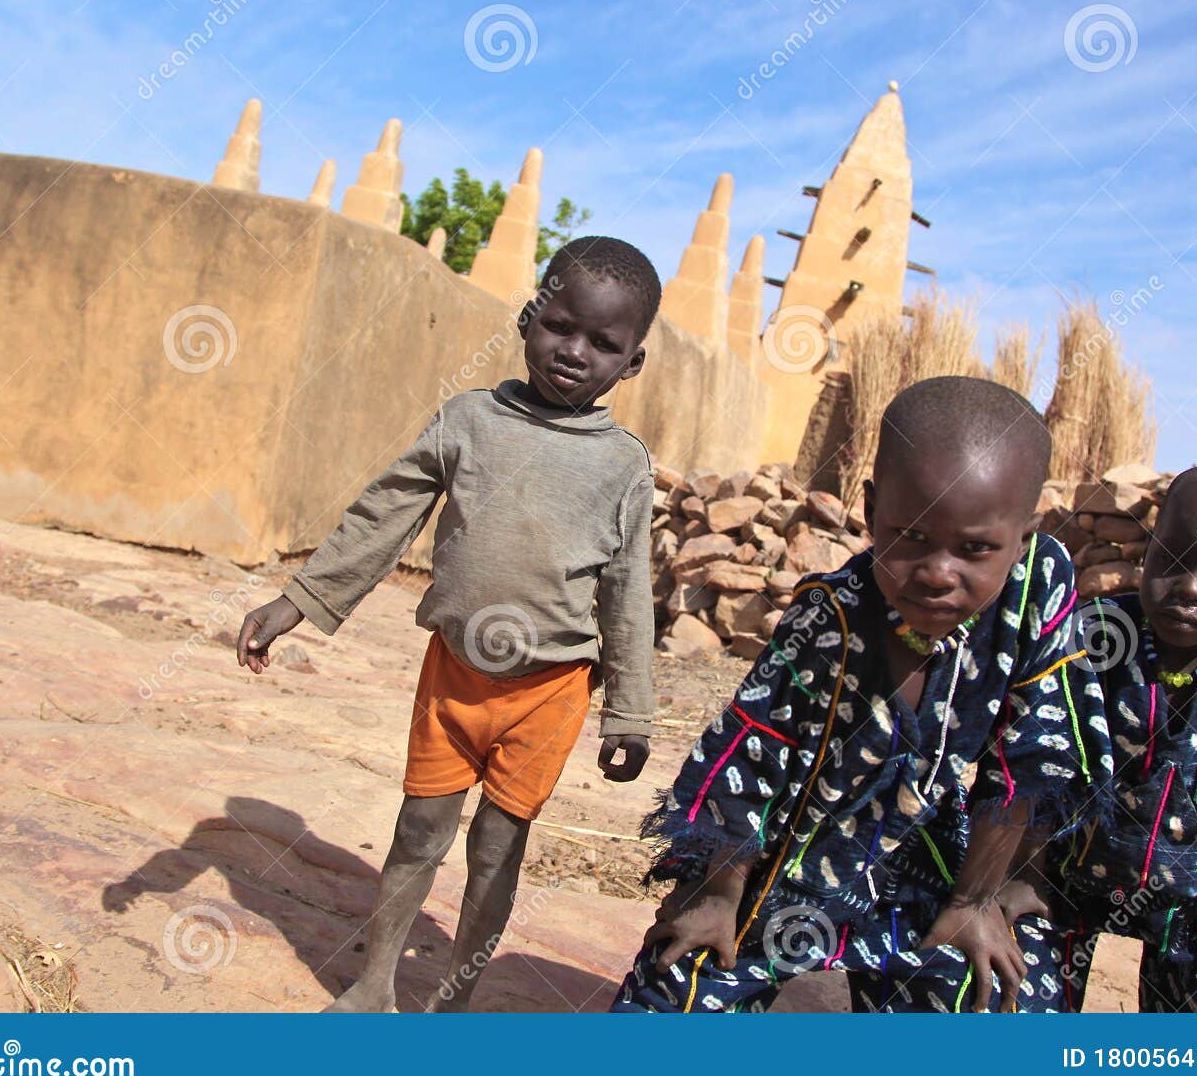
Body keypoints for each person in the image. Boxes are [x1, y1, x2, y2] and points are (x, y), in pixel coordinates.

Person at [236, 236, 663, 1012]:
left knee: (498, 853)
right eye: (561, 325)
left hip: (550, 692)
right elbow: (385, 513)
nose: (575, 352)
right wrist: (297, 599)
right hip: (454, 676)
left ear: (631, 363)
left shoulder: (623, 465)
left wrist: (628, 713)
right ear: (530, 317)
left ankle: (453, 1007)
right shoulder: (467, 420)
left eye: (604, 344)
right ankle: (373, 985)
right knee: (418, 832)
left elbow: (630, 593)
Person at [611, 376, 1111, 1013]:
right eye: (913, 538)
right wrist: (715, 895)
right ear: (873, 509)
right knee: (674, 993)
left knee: (997, 996)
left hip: (935, 856)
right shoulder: (830, 623)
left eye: (976, 549)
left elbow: (1033, 757)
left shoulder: (1036, 589)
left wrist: (974, 901)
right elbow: (749, 758)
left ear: (1024, 535)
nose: (937, 573)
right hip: (797, 855)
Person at [1003, 463, 1197, 1013]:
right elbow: (1034, 755)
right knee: (1007, 985)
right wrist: (1023, 873)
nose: (1188, 588)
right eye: (1172, 560)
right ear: (1149, 551)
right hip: (1067, 873)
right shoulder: (1096, 634)